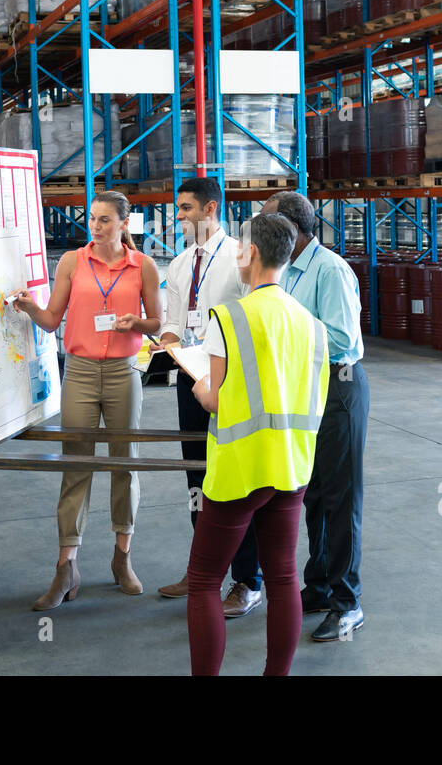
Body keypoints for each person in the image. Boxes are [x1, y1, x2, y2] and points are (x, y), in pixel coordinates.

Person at [188, 213, 329, 675]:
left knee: (206, 582)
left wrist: (201, 388)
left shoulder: (228, 317)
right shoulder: (312, 325)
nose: (234, 253)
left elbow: (214, 398)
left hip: (239, 471)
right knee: (284, 575)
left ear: (250, 253)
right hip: (291, 468)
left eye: (238, 247)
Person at [12, 190, 162, 610]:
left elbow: (157, 322)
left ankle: (122, 558)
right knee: (75, 464)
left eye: (104, 220)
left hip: (123, 372)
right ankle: (66, 567)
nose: (95, 227)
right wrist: (28, 307)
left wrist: (138, 321)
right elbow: (51, 320)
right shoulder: (72, 262)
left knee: (124, 465)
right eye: (93, 219)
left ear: (123, 224)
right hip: (77, 371)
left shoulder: (143, 266)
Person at [260, 191, 369, 642]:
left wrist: (286, 332)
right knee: (315, 494)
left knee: (342, 497)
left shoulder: (330, 270)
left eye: (266, 226)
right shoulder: (288, 271)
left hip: (338, 387)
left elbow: (341, 337)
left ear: (289, 230)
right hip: (305, 388)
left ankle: (348, 603)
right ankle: (320, 585)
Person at [155, 176, 263, 618]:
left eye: (185, 209)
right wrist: (163, 345)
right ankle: (204, 572)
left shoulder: (241, 257)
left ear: (210, 209)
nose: (178, 217)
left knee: (234, 479)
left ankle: (248, 580)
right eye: (179, 209)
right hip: (190, 380)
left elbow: (253, 317)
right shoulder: (180, 264)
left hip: (230, 381)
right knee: (196, 477)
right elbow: (175, 323)